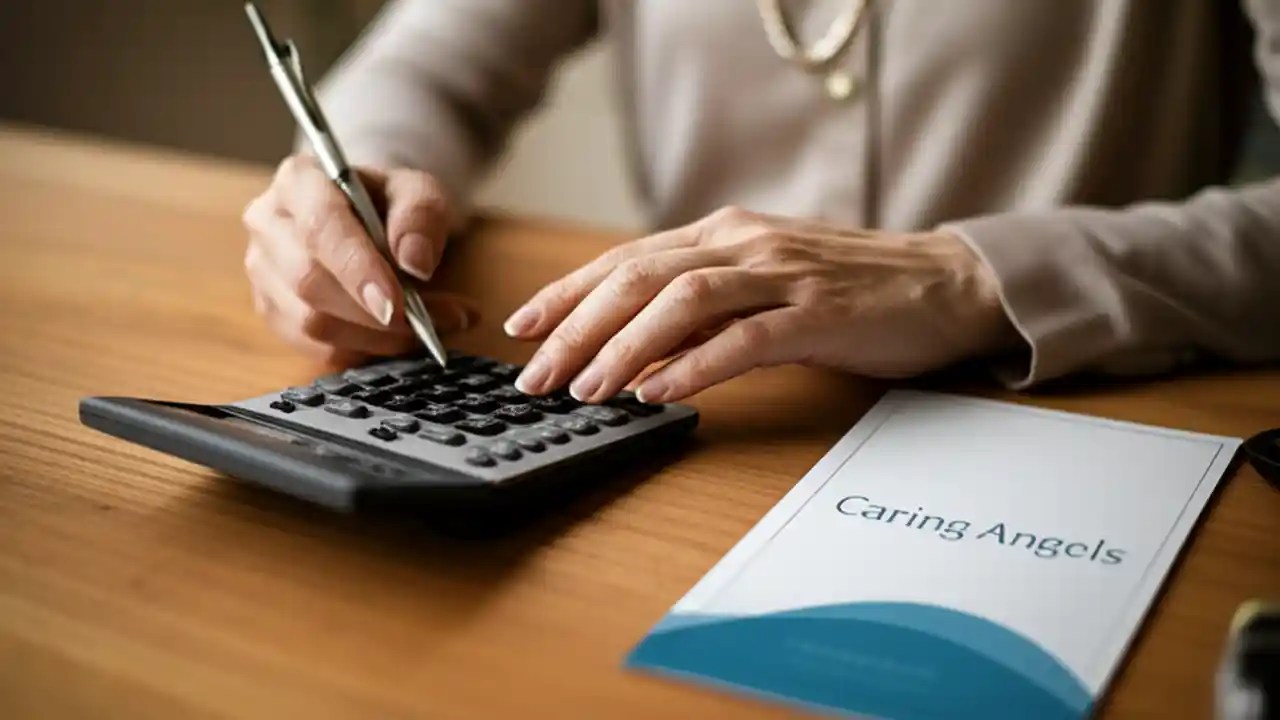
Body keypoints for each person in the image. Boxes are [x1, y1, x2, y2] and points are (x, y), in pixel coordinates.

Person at [242, 0, 1280, 405]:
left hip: (1086, 412)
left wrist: (972, 274)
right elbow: (428, 66)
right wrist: (359, 181)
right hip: (687, 422)